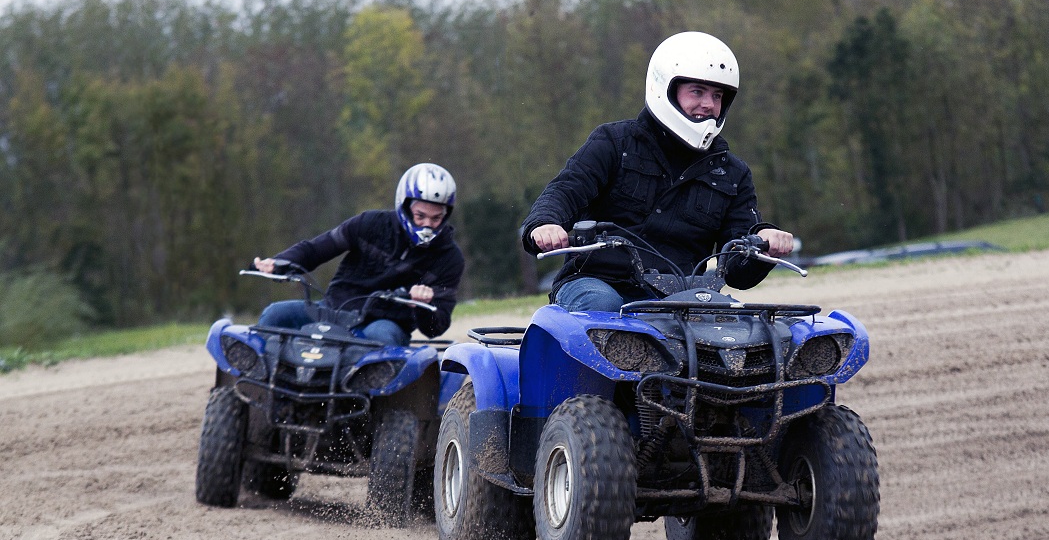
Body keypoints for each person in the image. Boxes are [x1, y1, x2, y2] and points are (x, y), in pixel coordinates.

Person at [521, 31, 795, 312]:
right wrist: (544, 225)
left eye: (718, 95)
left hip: (682, 294)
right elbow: (565, 191)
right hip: (597, 282)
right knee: (603, 304)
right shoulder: (613, 143)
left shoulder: (733, 173)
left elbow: (738, 270)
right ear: (665, 88)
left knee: (738, 321)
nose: (709, 105)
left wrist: (764, 243)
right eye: (697, 92)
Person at [253, 162, 464, 346]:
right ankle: (256, 387)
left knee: (382, 338)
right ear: (405, 206)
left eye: (436, 219)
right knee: (275, 315)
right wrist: (280, 262)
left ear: (446, 215)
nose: (427, 225)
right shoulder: (369, 224)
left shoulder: (450, 259)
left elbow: (436, 328)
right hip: (333, 309)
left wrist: (424, 306)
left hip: (385, 323)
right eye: (420, 216)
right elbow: (316, 249)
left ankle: (370, 393)